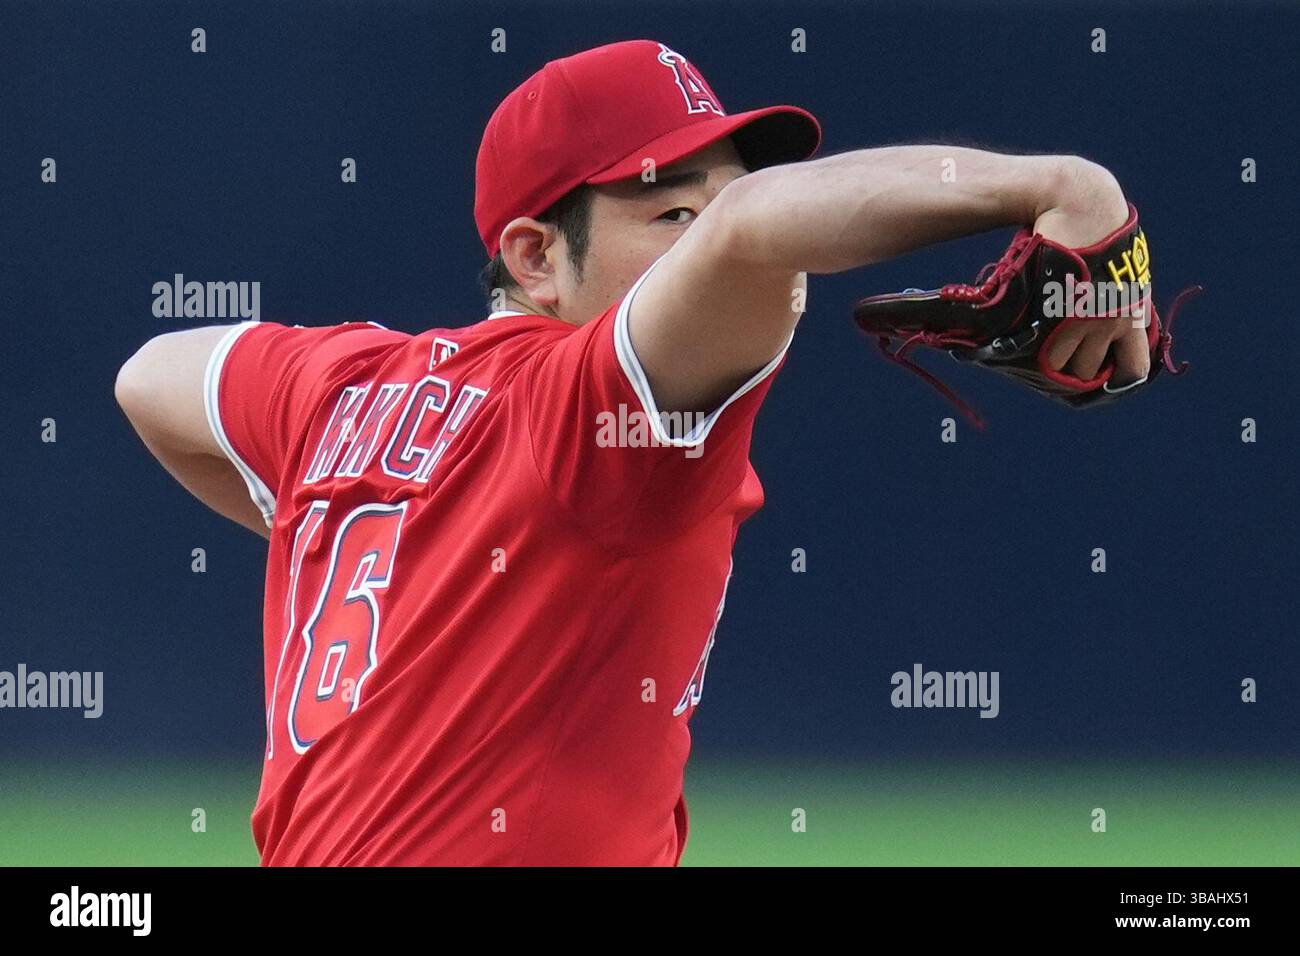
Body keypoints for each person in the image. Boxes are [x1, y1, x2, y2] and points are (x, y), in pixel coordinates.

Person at [116, 39, 1142, 865]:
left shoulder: (342, 387)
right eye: (671, 213)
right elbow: (752, 230)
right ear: (533, 255)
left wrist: (382, 532)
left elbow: (151, 376)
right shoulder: (587, 411)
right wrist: (1061, 183)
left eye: (717, 198)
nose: (708, 238)